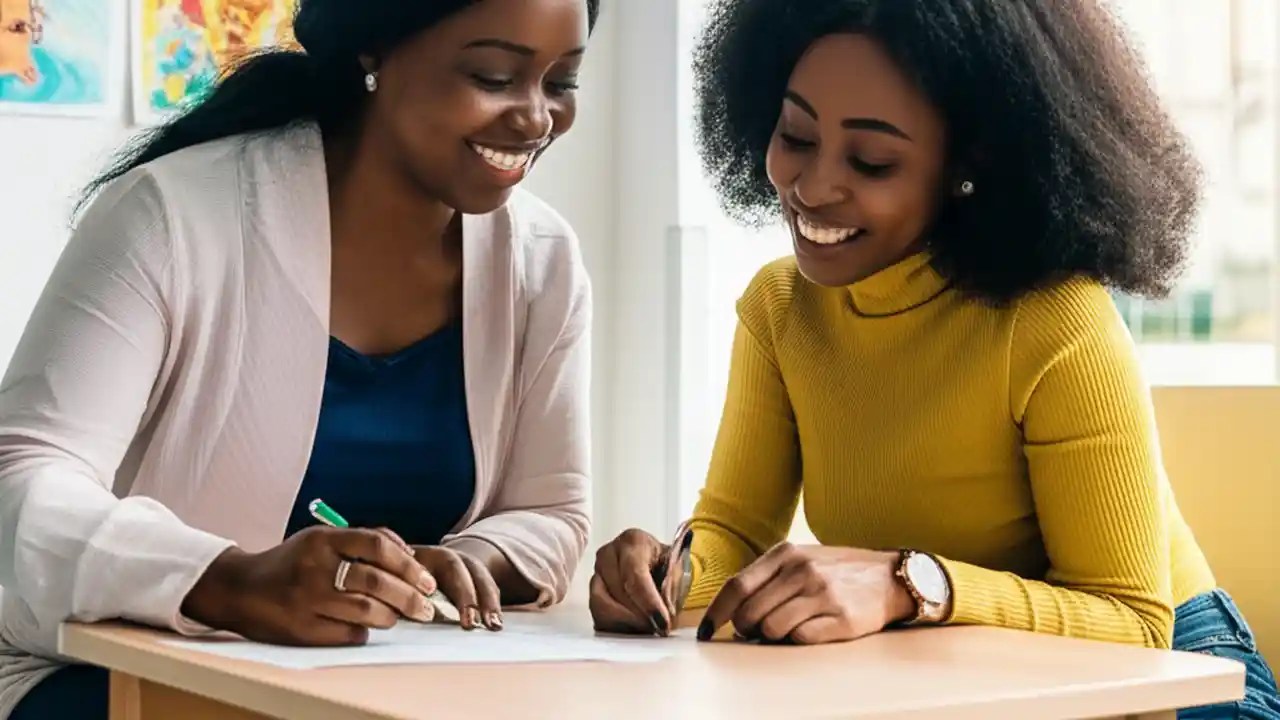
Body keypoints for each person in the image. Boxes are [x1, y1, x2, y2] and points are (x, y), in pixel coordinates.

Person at [589, 1, 1280, 717]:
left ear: (966, 164)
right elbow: (734, 531)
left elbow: (1133, 621)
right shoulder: (778, 308)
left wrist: (906, 584)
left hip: (1182, 679)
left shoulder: (1055, 318)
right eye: (795, 135)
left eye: (872, 160)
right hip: (964, 683)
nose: (812, 186)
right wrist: (665, 576)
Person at [0, 0, 601, 716]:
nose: (535, 119)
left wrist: (467, 563)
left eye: (560, 83)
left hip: (375, 694)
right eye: (494, 75)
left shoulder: (542, 261)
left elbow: (550, 510)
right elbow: (23, 480)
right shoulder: (172, 214)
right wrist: (229, 581)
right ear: (373, 50)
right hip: (110, 674)